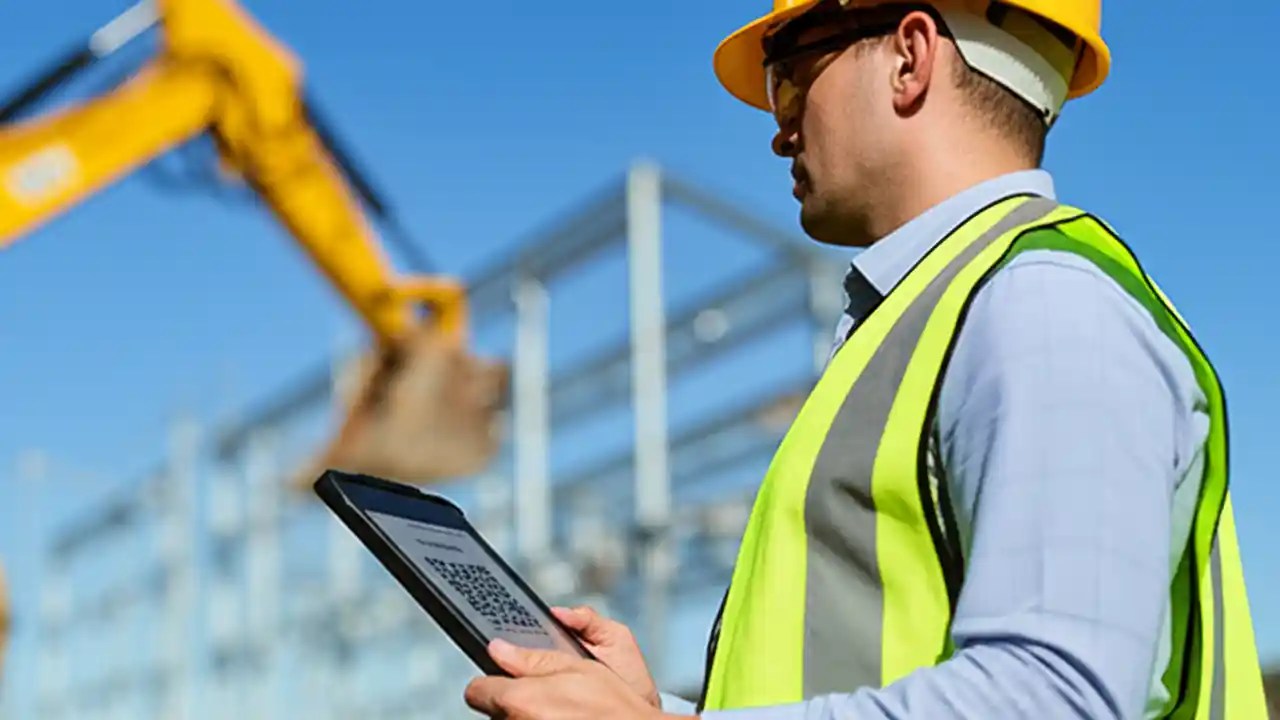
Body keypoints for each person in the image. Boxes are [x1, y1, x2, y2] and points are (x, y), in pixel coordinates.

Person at [462, 0, 1270, 717]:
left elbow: (1052, 695)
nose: (780, 128)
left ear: (910, 56)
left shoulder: (1042, 305)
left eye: (789, 78)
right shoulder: (944, 314)